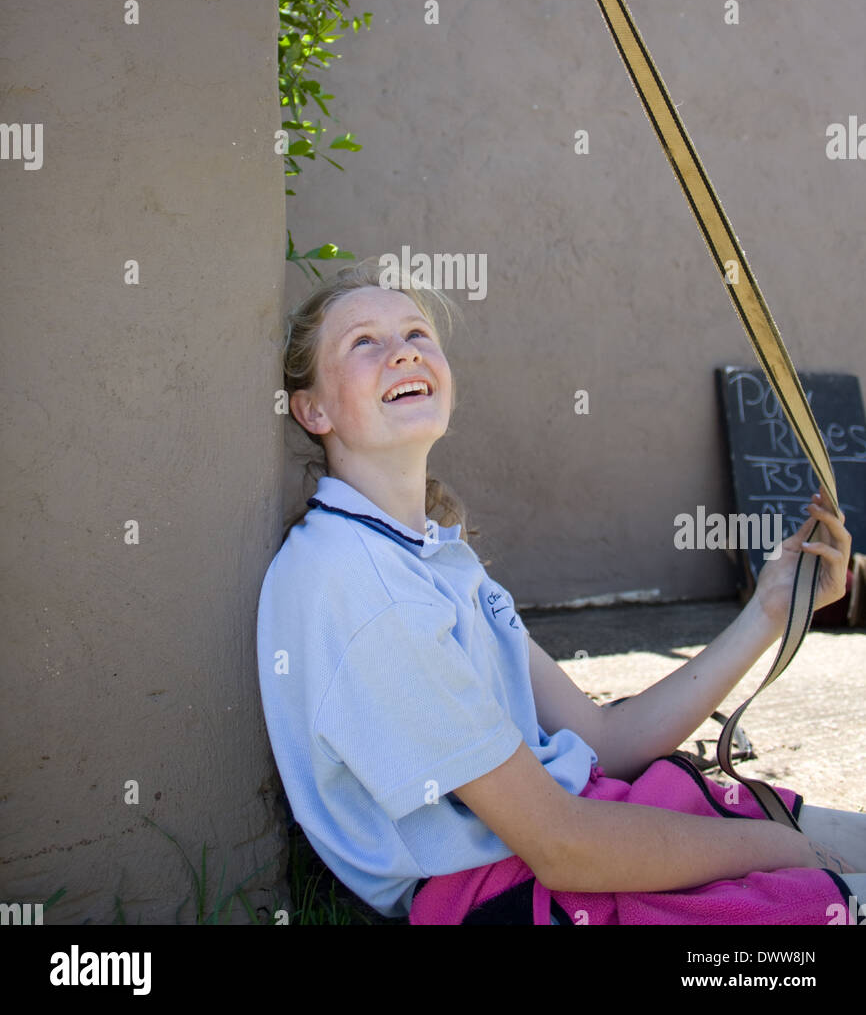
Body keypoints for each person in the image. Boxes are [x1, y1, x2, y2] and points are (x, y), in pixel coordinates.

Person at [256, 257, 866, 925]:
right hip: (523, 889)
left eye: (417, 334)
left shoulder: (427, 556)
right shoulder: (362, 583)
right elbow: (560, 846)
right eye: (363, 342)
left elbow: (606, 738)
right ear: (311, 408)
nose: (403, 352)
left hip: (593, 821)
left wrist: (769, 611)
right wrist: (774, 848)